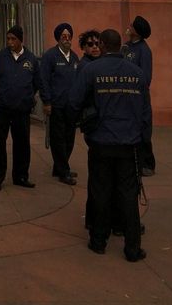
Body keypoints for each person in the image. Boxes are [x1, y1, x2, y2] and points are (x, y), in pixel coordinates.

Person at [70, 28, 150, 262]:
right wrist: (144, 142)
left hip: (101, 141)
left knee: (100, 191)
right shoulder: (136, 73)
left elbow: (73, 101)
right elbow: (146, 113)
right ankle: (132, 248)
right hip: (129, 143)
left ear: (103, 45)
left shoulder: (91, 70)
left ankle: (98, 241)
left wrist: (85, 119)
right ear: (120, 46)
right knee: (128, 195)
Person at [0, 25, 41, 191]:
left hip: (21, 108)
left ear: (21, 40)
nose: (10, 42)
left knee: (22, 143)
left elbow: (36, 82)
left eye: (13, 39)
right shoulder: (0, 57)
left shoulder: (30, 59)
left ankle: (21, 176)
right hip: (2, 107)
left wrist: (26, 96)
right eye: (8, 38)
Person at [41, 22, 80, 185]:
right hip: (56, 105)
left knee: (69, 138)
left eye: (69, 36)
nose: (66, 38)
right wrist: (47, 101)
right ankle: (63, 171)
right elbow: (44, 80)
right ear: (58, 38)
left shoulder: (75, 57)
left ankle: (60, 167)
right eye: (63, 36)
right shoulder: (50, 56)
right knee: (58, 139)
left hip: (71, 106)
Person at [75, 28, 102, 229]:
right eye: (90, 44)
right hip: (94, 123)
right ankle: (96, 220)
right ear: (84, 47)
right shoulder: (85, 67)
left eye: (97, 43)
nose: (94, 47)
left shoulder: (99, 65)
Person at [122, 15, 155, 176]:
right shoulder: (126, 46)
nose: (129, 27)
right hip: (125, 96)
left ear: (137, 31)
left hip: (139, 96)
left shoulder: (144, 50)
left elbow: (146, 77)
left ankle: (148, 163)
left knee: (143, 129)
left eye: (132, 25)